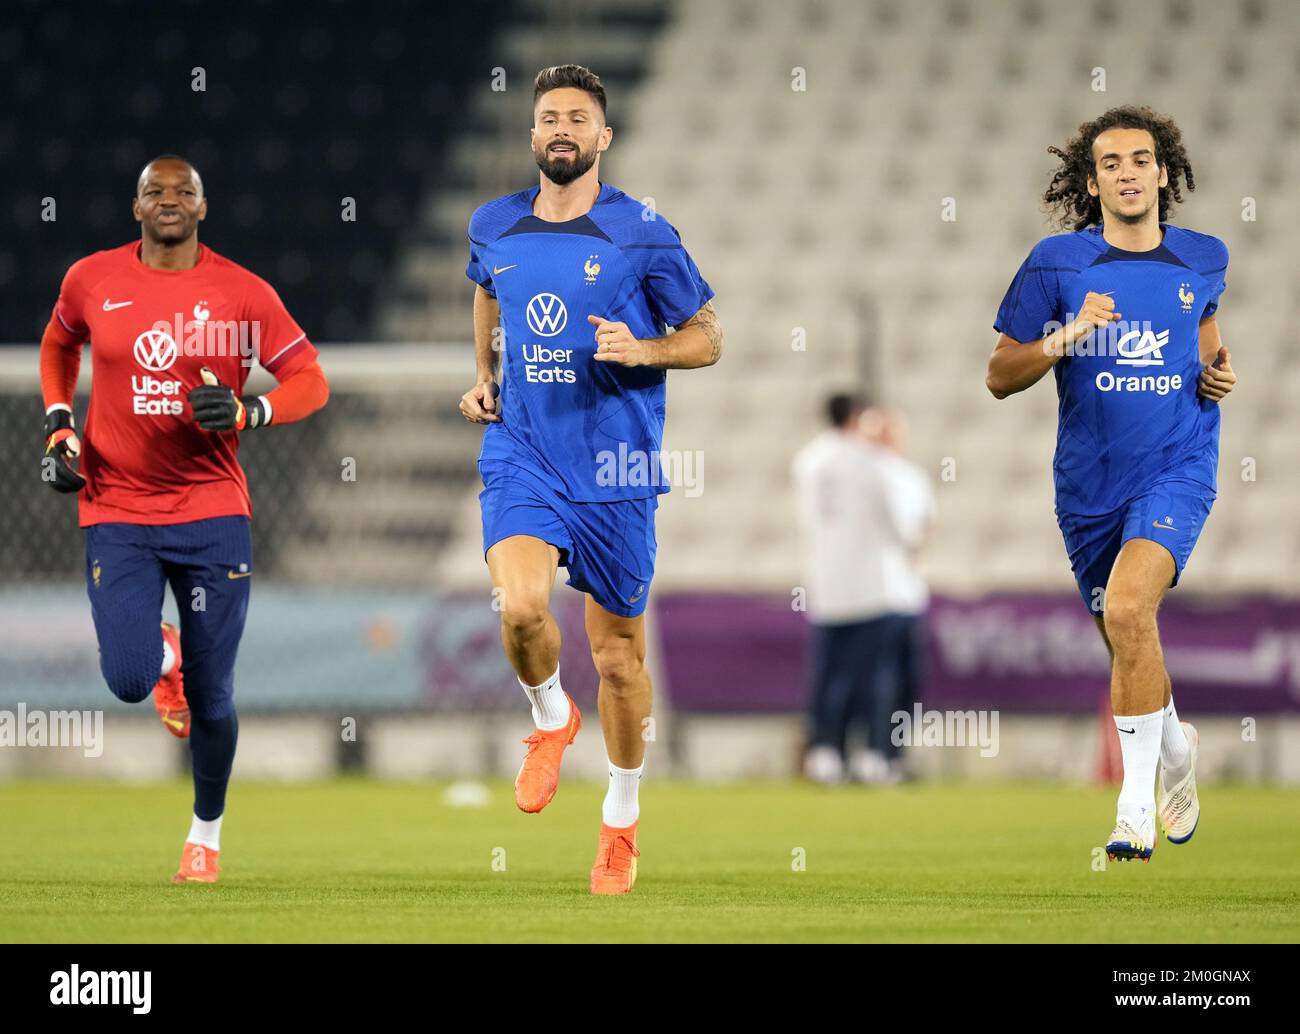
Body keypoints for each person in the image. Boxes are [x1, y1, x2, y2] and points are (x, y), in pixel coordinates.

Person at [457, 65, 721, 894]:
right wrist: (484, 376)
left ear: (604, 137)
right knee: (524, 606)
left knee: (616, 662)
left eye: (578, 117)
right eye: (548, 118)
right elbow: (486, 296)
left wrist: (644, 350)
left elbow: (707, 334)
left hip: (616, 469)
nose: (561, 128)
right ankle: (548, 719)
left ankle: (620, 819)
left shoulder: (643, 231)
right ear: (533, 136)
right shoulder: (492, 223)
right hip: (523, 453)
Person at [39, 155, 330, 883]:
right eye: (154, 192)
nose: (169, 201)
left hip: (211, 511)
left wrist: (247, 409)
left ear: (204, 207)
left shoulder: (241, 293)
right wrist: (58, 425)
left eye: (184, 192)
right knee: (131, 679)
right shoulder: (91, 279)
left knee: (215, 697)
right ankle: (162, 657)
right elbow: (57, 342)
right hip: (117, 508)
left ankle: (205, 834)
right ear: (135, 208)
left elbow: (311, 381)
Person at [986, 106, 1237, 861]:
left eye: (1139, 159)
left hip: (1177, 468)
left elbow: (1207, 341)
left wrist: (1220, 373)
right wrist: (1065, 337)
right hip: (1088, 484)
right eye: (1110, 164)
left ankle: (1131, 813)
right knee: (1125, 638)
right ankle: (1177, 749)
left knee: (1130, 610)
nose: (1127, 172)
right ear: (1091, 184)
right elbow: (999, 375)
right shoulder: (1058, 264)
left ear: (1164, 172)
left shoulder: (1205, 256)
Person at [792, 394, 933, 784]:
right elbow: (901, 527)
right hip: (874, 589)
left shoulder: (808, 461)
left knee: (831, 676)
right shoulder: (870, 462)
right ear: (857, 418)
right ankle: (876, 753)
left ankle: (826, 752)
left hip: (827, 586)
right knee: (878, 678)